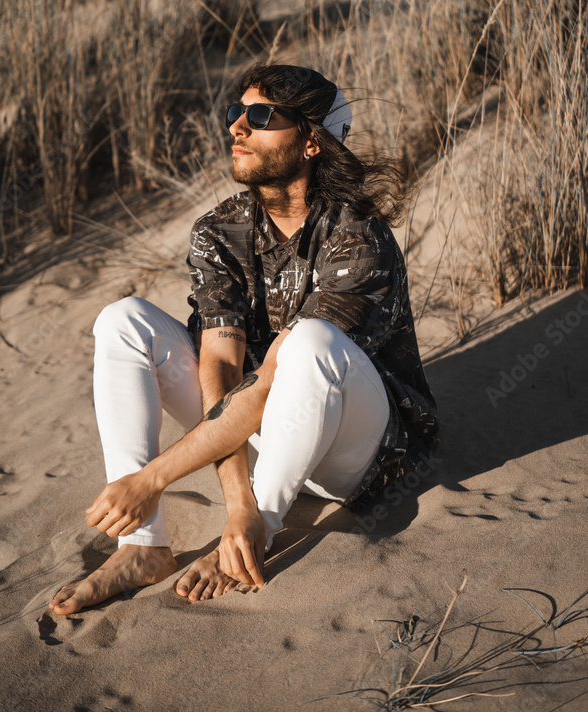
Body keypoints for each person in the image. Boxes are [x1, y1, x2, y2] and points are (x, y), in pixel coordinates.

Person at [49, 63, 438, 615]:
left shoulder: (357, 237)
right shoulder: (219, 230)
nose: (237, 127)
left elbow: (265, 387)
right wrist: (236, 501)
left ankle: (263, 528)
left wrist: (153, 478)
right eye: (236, 112)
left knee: (309, 345)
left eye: (261, 116)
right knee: (124, 319)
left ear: (312, 141)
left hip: (355, 457)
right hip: (264, 435)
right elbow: (223, 371)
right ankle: (142, 547)